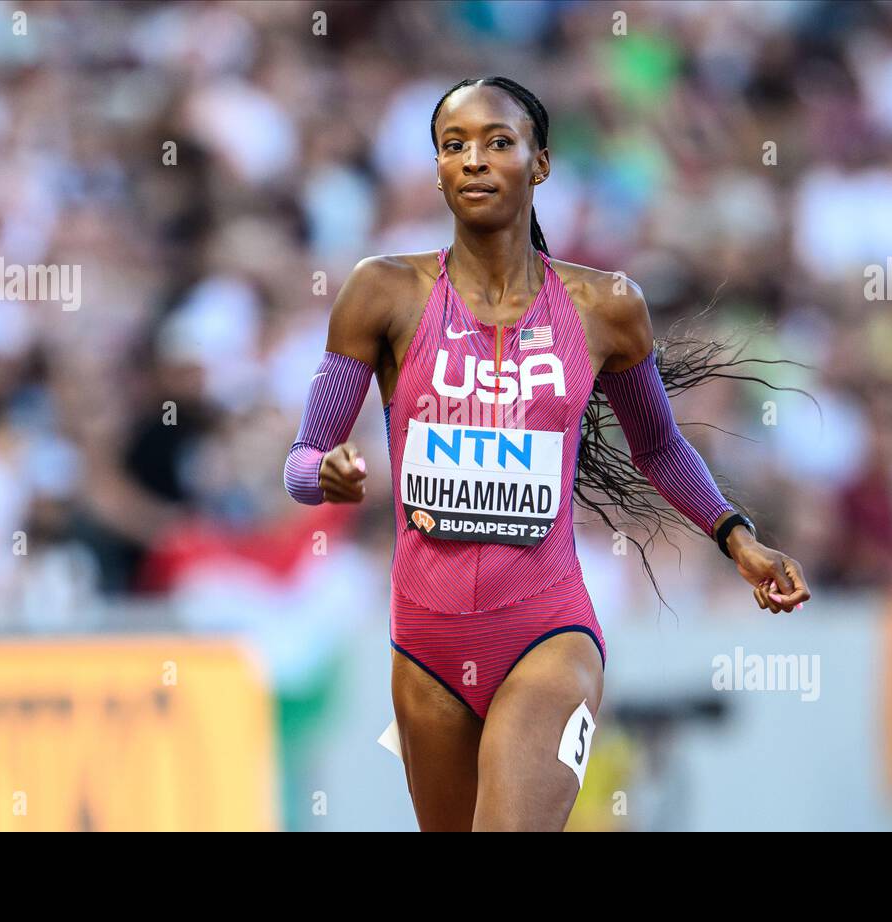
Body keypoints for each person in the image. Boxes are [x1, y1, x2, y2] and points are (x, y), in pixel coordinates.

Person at [285, 77, 810, 831]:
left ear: (541, 164)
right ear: (435, 169)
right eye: (453, 146)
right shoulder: (382, 292)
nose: (473, 160)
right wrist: (325, 476)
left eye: (497, 142)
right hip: (424, 649)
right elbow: (302, 459)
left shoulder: (605, 306)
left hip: (547, 631)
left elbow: (657, 446)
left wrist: (737, 537)